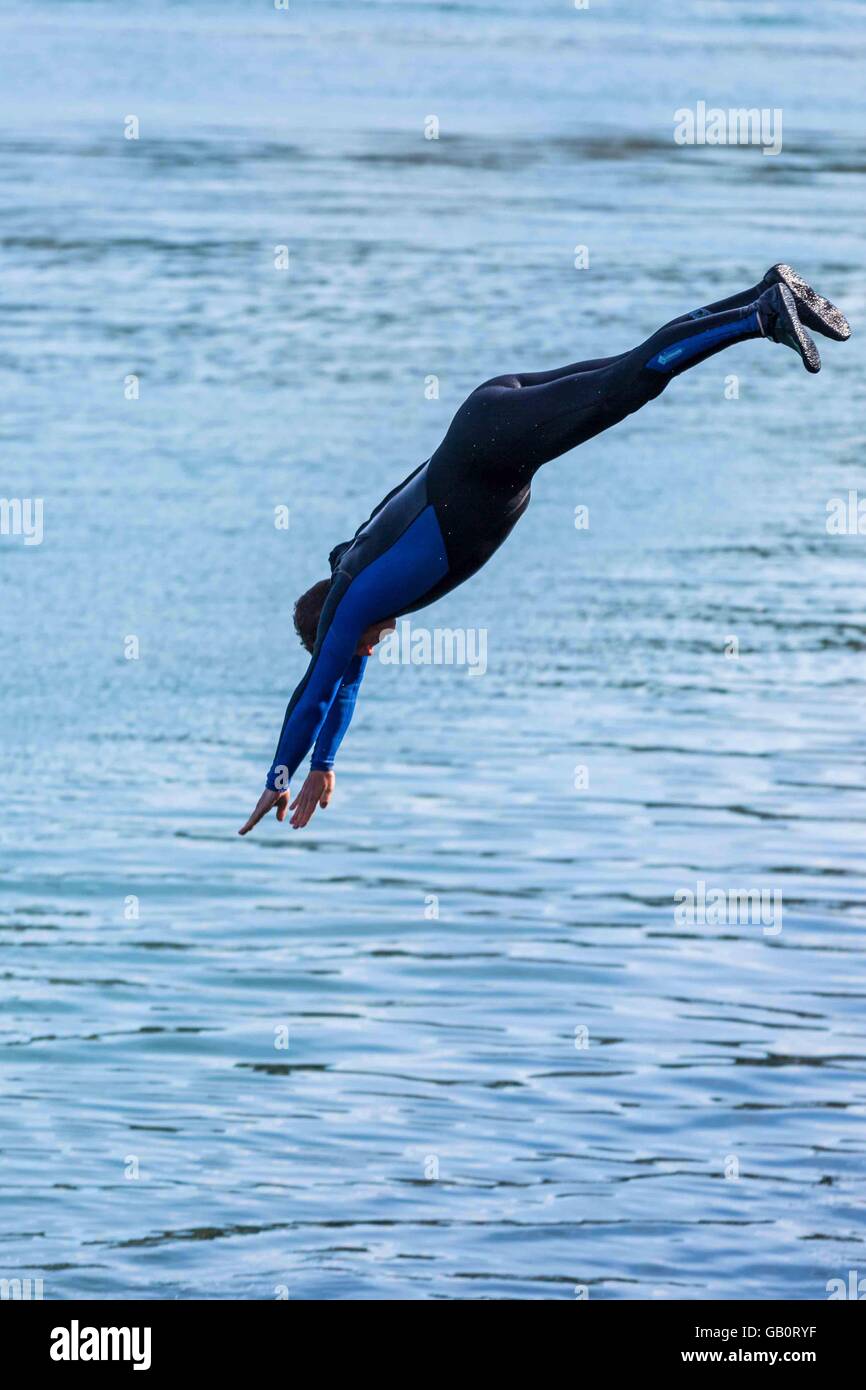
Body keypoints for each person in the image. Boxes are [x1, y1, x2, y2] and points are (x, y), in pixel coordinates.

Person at [239, 265, 850, 834]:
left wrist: (279, 775)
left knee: (626, 387)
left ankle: (763, 315)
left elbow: (318, 689)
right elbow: (343, 683)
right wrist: (325, 763)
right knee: (630, 368)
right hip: (489, 417)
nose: (372, 647)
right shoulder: (352, 568)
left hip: (495, 447)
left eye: (360, 644)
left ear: (335, 629)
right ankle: (767, 295)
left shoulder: (352, 600)